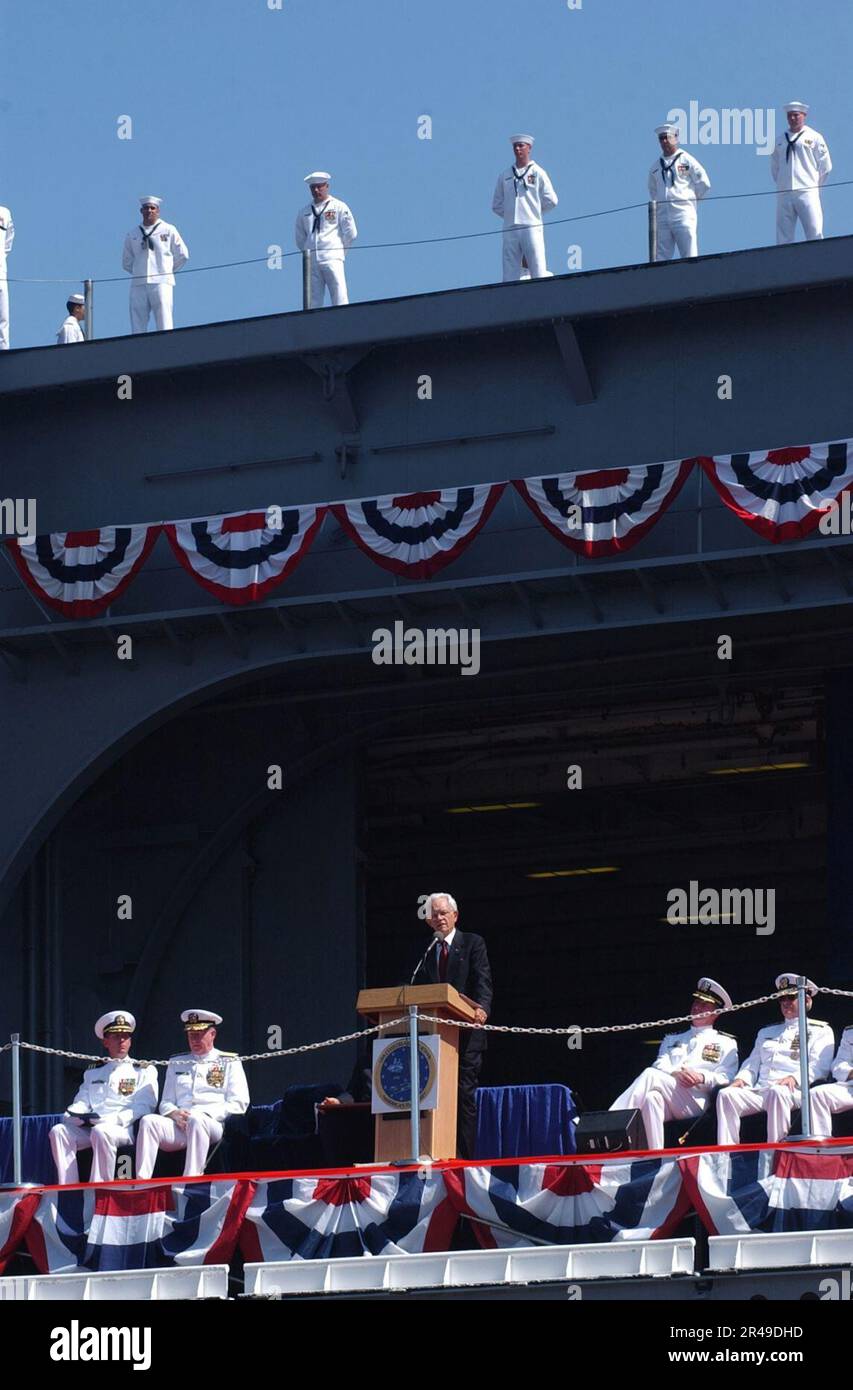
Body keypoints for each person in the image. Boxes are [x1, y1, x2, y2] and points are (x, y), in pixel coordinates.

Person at [609, 978, 738, 1149]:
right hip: (671, 1095)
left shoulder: (726, 1042)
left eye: (705, 1005)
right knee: (651, 1098)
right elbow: (659, 1064)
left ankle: (610, 1123)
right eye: (696, 1002)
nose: (697, 1007)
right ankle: (655, 1155)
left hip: (697, 1100)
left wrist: (702, 1077)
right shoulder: (673, 1038)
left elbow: (727, 1078)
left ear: (717, 1012)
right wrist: (675, 1073)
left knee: (649, 1074)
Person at [412, 892, 493, 1159]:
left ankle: (465, 1158)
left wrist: (481, 1008)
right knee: (434, 1097)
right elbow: (411, 984)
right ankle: (436, 1151)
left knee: (463, 1096)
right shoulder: (424, 951)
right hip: (434, 1038)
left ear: (455, 915)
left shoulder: (472, 943)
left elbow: (482, 980)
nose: (439, 918)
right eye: (434, 914)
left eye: (443, 913)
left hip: (466, 1034)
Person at [716, 974, 834, 1144]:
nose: (785, 1002)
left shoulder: (821, 1030)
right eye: (781, 998)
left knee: (777, 1092)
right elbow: (752, 1062)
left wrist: (795, 1077)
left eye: (791, 997)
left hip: (793, 1091)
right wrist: (741, 1079)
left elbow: (819, 1067)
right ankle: (725, 1156)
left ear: (806, 1000)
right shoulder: (766, 1032)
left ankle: (775, 1155)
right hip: (761, 1089)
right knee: (727, 1094)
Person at [135, 1008, 249, 1178]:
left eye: (199, 1034)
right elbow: (166, 1102)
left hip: (212, 1125)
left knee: (197, 1119)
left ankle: (191, 1179)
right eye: (191, 1035)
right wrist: (174, 1113)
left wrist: (204, 1114)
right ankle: (142, 1182)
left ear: (212, 1034)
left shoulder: (229, 1061)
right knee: (148, 1121)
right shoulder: (177, 1062)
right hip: (180, 1125)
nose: (194, 1039)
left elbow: (239, 1103)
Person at [49, 1011, 158, 1183]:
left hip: (124, 1128)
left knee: (102, 1131)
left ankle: (99, 1190)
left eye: (125, 1036)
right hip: (93, 1126)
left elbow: (145, 1106)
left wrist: (112, 1120)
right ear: (105, 1041)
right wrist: (73, 1115)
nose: (121, 1041)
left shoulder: (143, 1069)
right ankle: (67, 1188)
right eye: (116, 1037)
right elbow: (82, 1102)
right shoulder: (94, 1071)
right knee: (59, 1131)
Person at [492, 134, 558, 282]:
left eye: (521, 145)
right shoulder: (505, 175)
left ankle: (541, 292)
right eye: (515, 146)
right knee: (509, 268)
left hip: (531, 225)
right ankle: (509, 296)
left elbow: (552, 200)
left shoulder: (538, 172)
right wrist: (511, 214)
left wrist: (533, 212)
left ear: (529, 148)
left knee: (537, 264)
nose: (517, 149)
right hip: (510, 227)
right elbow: (496, 205)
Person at [122, 195, 189, 332]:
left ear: (158, 211)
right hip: (139, 283)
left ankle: (166, 345)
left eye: (153, 208)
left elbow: (183, 254)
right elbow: (126, 261)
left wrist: (167, 270)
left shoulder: (168, 230)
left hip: (161, 281)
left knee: (164, 319)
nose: (149, 211)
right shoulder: (132, 234)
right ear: (141, 211)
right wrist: (138, 272)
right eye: (146, 208)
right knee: (137, 321)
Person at [770, 102, 832, 244]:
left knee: (814, 230)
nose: (793, 118)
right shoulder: (779, 140)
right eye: (790, 115)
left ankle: (817, 258)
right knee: (783, 235)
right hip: (785, 192)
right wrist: (783, 183)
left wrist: (813, 185)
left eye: (796, 115)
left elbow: (825, 166)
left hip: (807, 189)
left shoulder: (815, 137)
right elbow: (775, 168)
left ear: (804, 116)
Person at [648, 123, 710, 260]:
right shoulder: (655, 167)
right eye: (661, 138)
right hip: (663, 215)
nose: (664, 141)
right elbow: (653, 191)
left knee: (689, 253)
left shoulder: (686, 160)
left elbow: (704, 183)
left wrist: (690, 201)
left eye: (667, 137)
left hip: (683, 213)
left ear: (675, 138)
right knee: (661, 256)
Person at [294, 172, 357, 307]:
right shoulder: (304, 212)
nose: (316, 190)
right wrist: (308, 253)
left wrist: (340, 251)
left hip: (332, 256)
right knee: (313, 298)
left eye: (319, 187)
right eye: (313, 188)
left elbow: (351, 233)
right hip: (312, 260)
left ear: (327, 186)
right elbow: (300, 238)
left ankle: (343, 317)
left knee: (338, 291)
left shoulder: (338, 206)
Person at [810, 1025, 853, 1137]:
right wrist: (850, 1072)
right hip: (850, 1086)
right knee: (817, 1094)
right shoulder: (850, 1032)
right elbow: (838, 1064)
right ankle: (822, 1148)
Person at [0, 201, 14, 350]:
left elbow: (9, 240)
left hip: (0, 271)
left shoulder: (4, 212)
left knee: (3, 313)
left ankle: (3, 349)